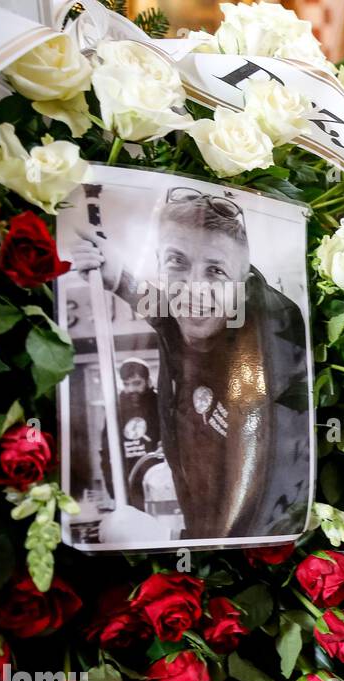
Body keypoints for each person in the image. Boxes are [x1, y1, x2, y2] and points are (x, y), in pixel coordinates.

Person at [70, 185, 311, 542]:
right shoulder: (182, 313)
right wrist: (118, 275)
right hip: (198, 524)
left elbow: (275, 497)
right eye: (177, 262)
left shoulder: (269, 347)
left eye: (215, 271)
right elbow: (165, 312)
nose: (193, 289)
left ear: (242, 288)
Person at [98, 359, 161, 512]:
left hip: (159, 481)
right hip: (128, 484)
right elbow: (107, 450)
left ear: (148, 381)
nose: (131, 389)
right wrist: (113, 488)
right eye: (126, 384)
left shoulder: (160, 403)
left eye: (137, 383)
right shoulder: (116, 409)